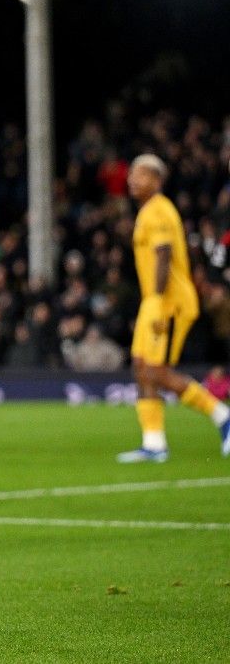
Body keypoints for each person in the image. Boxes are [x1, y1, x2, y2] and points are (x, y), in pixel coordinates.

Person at [116, 153, 230, 462]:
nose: (132, 180)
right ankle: (154, 443)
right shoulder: (148, 211)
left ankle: (222, 415)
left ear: (157, 180)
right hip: (153, 300)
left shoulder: (160, 211)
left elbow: (164, 256)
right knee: (141, 367)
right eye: (131, 175)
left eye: (140, 175)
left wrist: (158, 304)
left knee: (156, 371)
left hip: (168, 301)